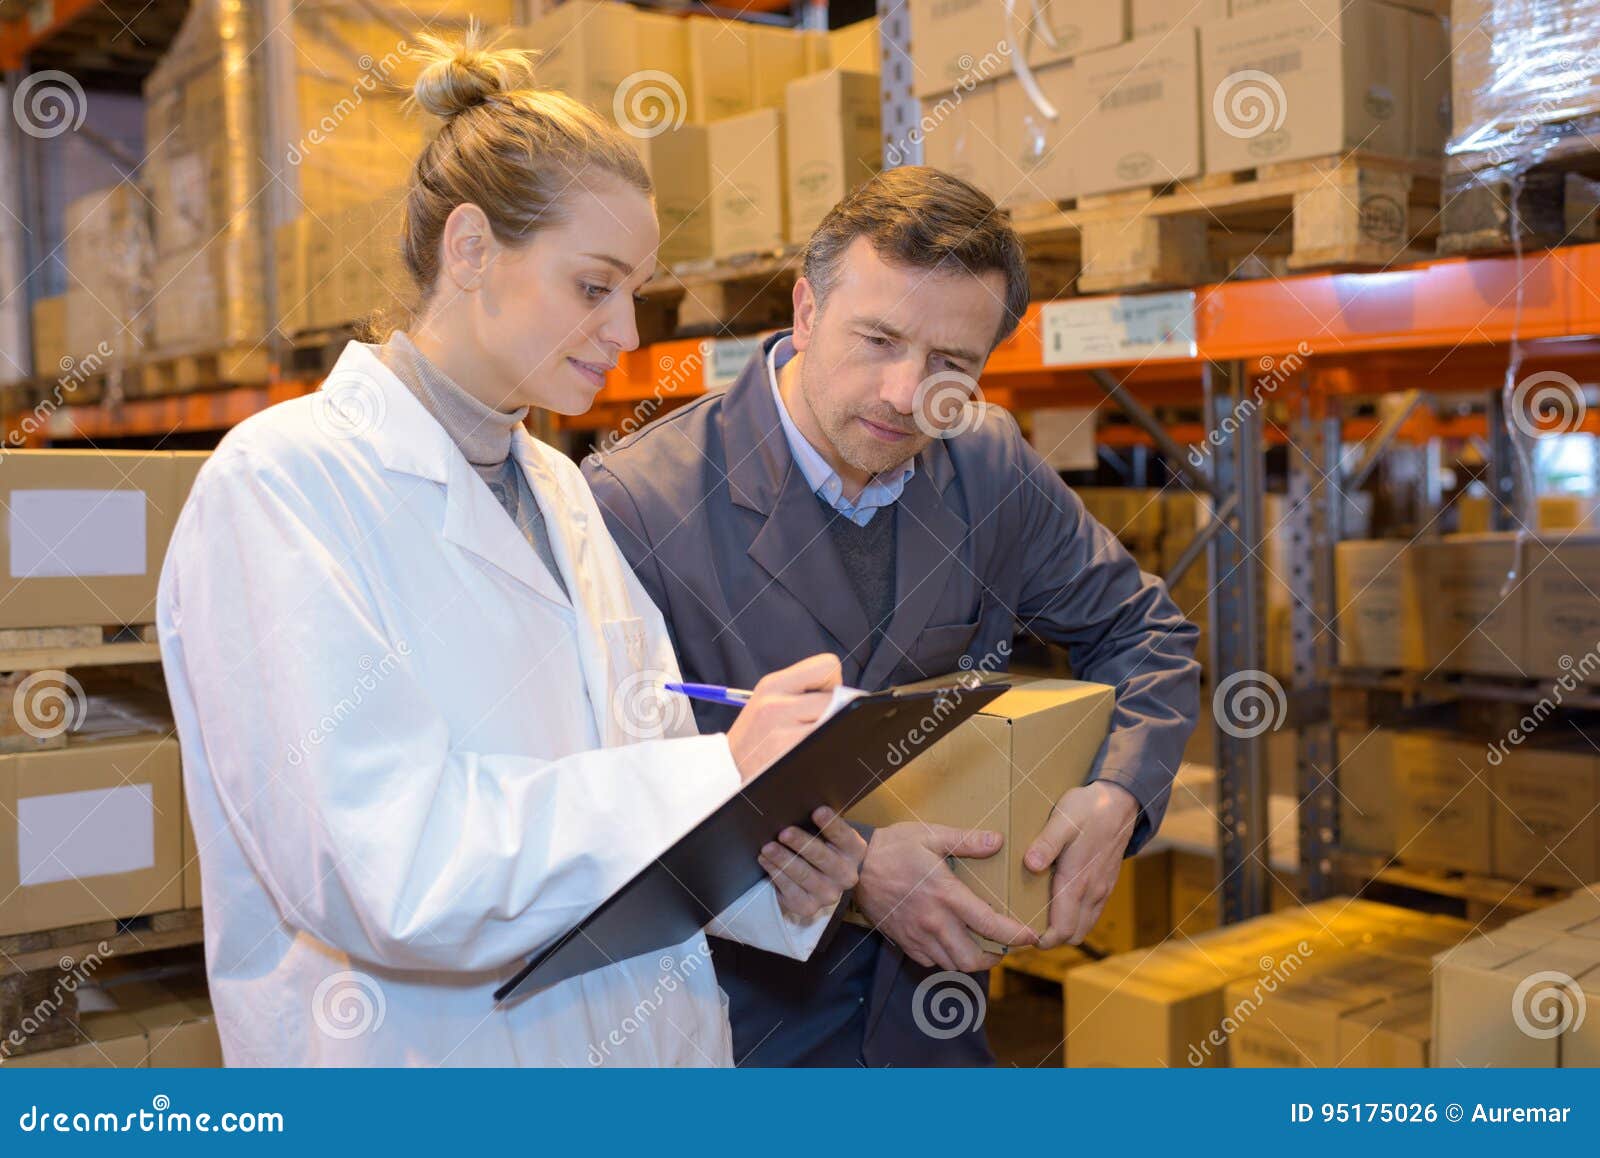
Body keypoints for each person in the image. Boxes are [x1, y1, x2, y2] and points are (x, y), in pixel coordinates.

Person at [156, 36, 866, 1068]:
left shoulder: (560, 489)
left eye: (637, 289)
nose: (626, 327)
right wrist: (712, 778)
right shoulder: (285, 485)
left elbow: (634, 763)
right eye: (593, 286)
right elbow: (386, 869)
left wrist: (765, 859)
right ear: (472, 248)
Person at [583, 166, 1201, 1066]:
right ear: (804, 310)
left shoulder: (985, 467)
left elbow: (1145, 633)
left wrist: (1119, 794)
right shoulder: (637, 505)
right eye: (877, 339)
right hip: (739, 1033)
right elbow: (611, 794)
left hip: (937, 1022)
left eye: (952, 363)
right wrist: (861, 865)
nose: (908, 392)